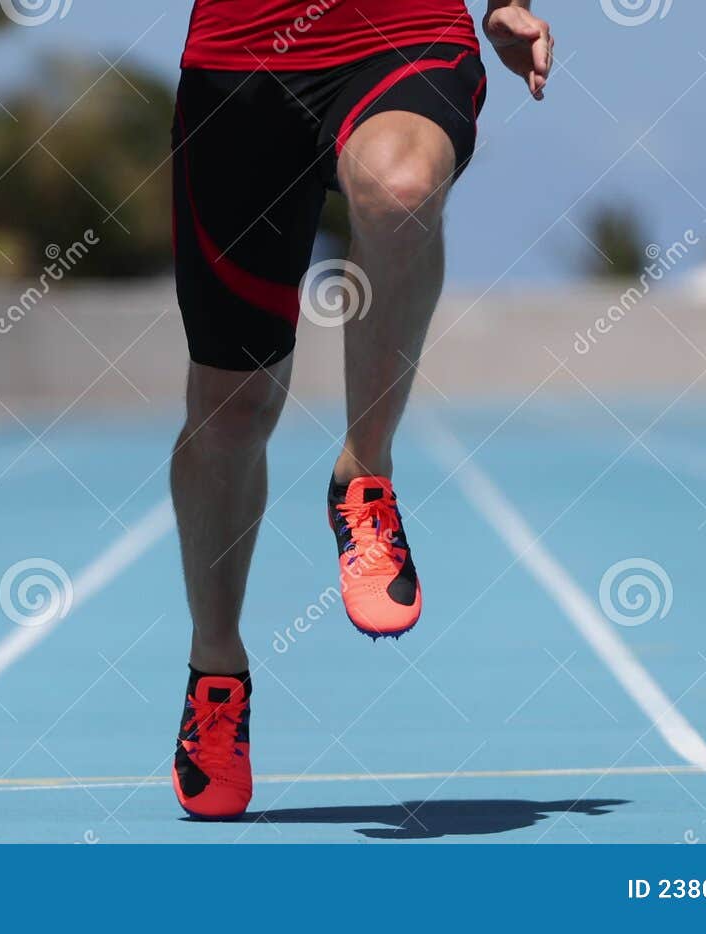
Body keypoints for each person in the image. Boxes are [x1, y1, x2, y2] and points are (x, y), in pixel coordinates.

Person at [169, 0, 553, 819]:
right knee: (232, 410)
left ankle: (364, 473)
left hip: (400, 27)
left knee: (402, 187)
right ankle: (216, 668)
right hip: (242, 61)